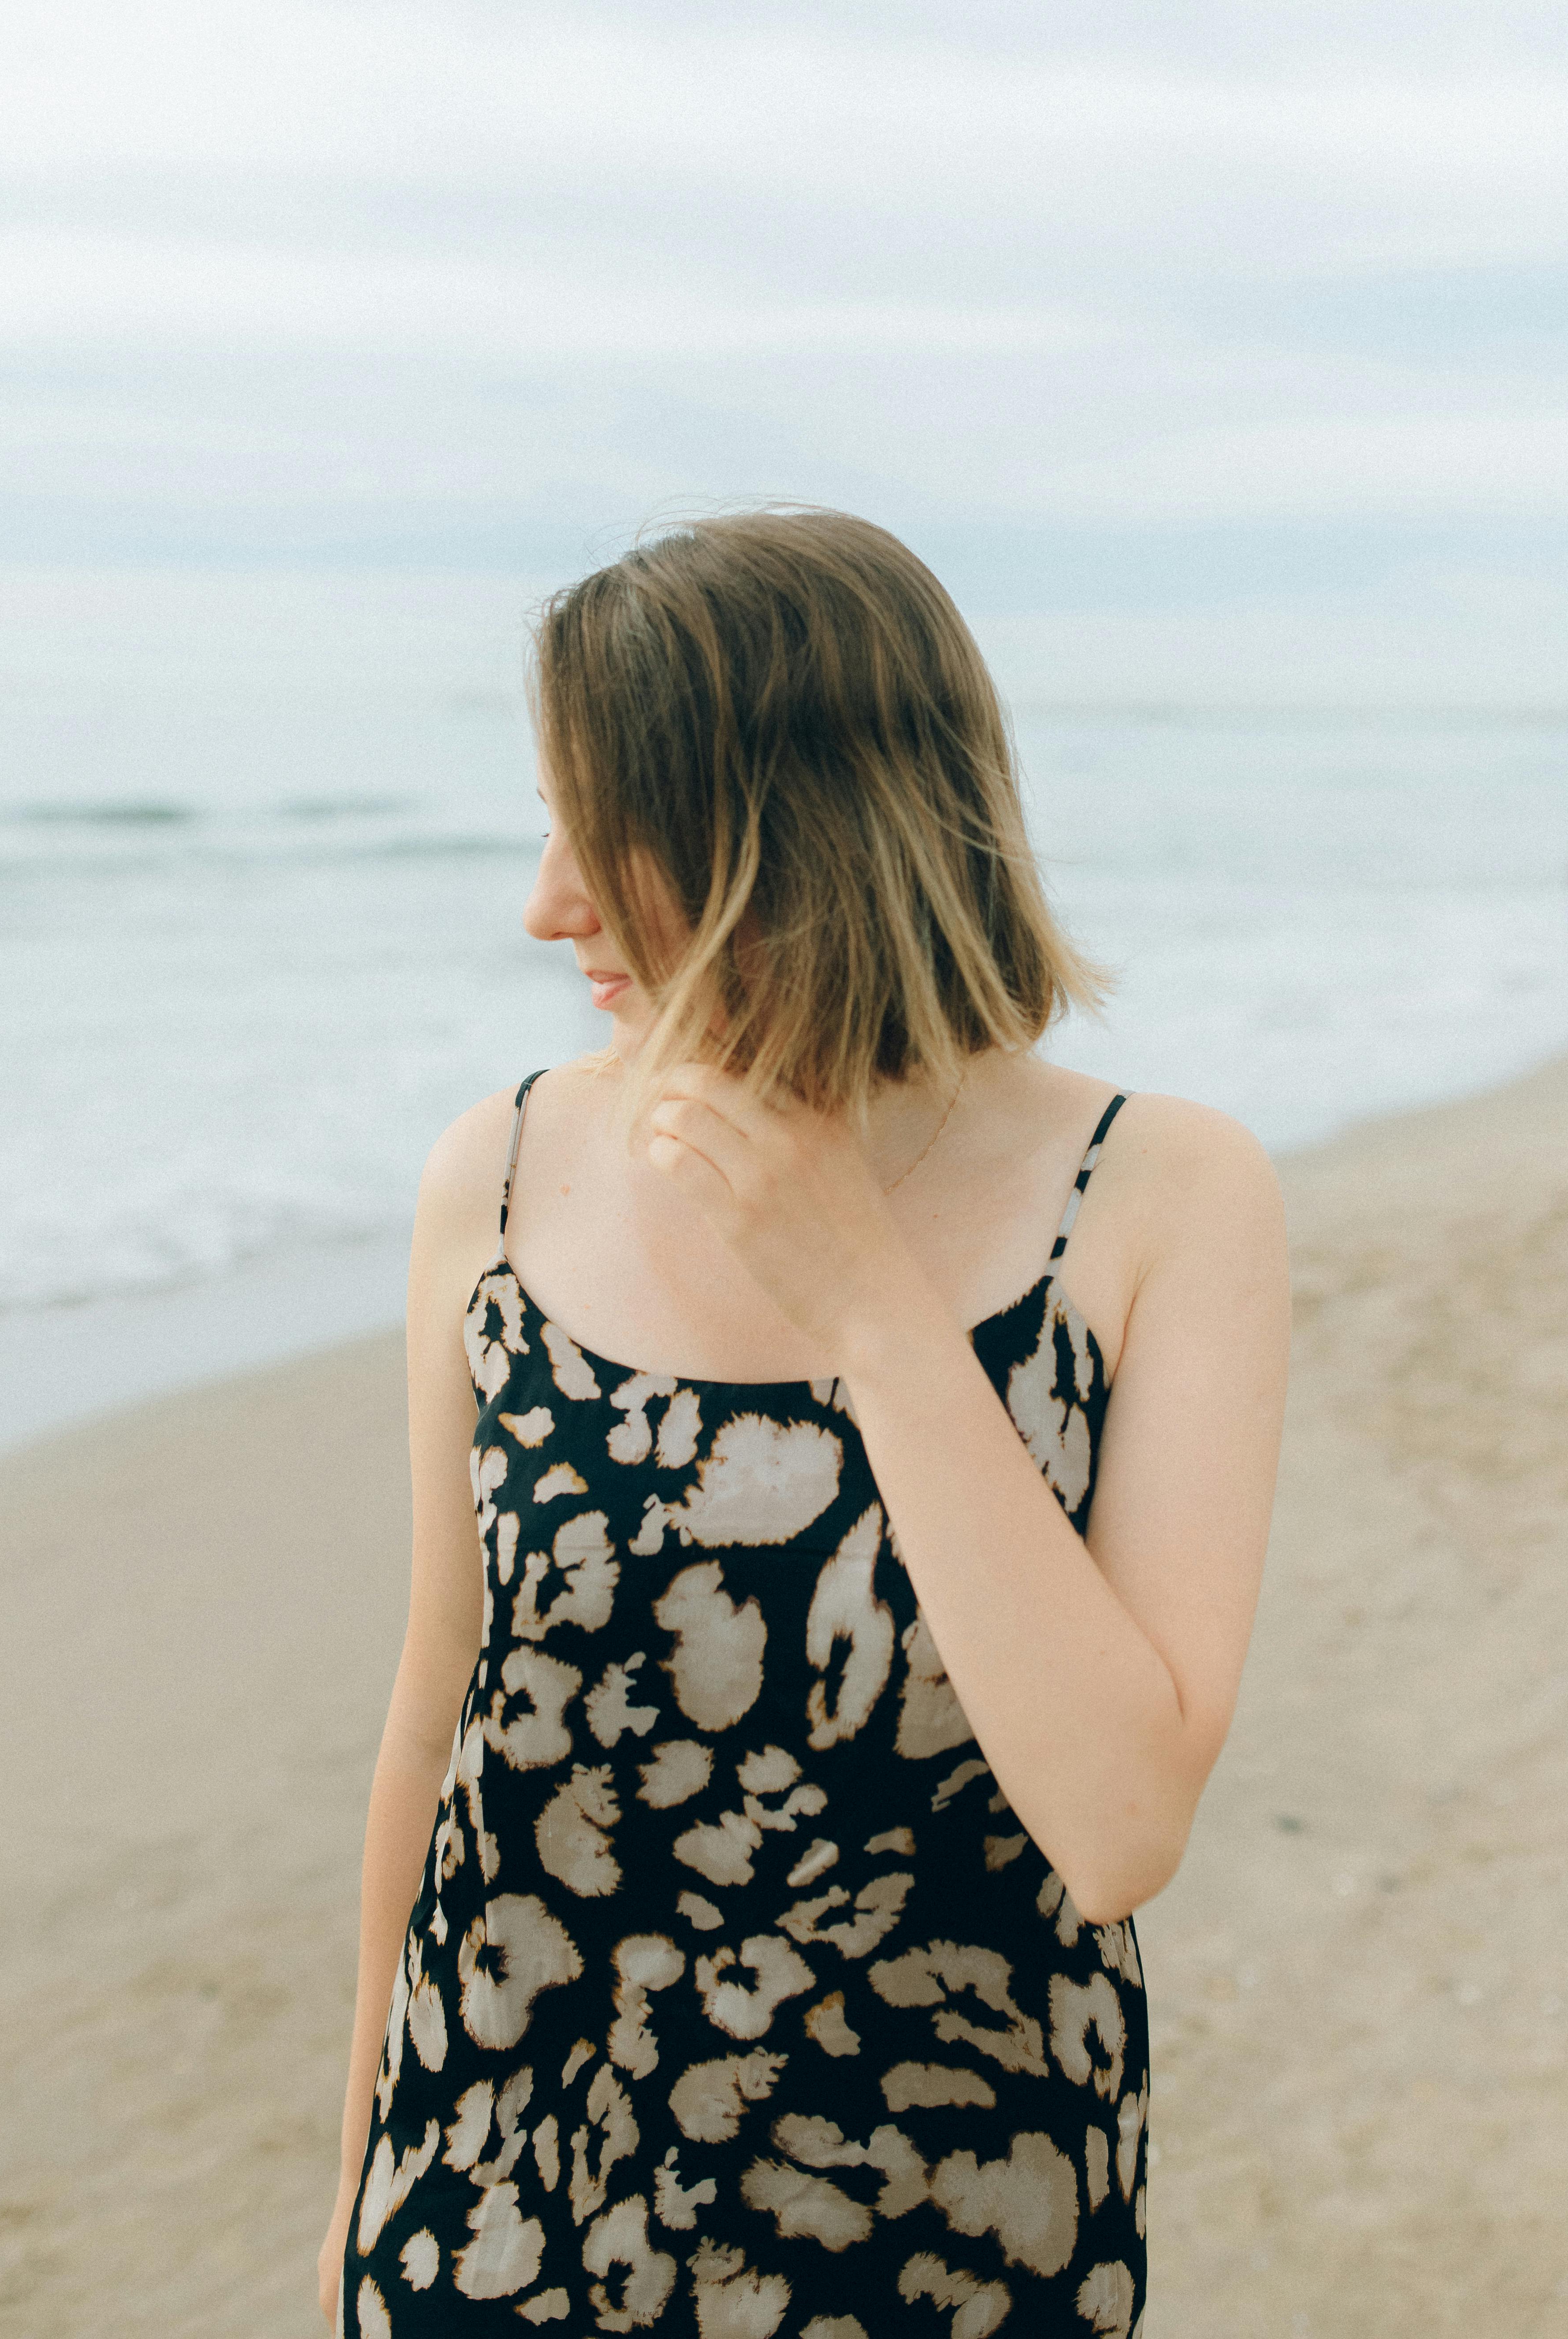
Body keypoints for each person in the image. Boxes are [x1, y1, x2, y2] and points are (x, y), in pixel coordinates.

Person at [318, 509, 1288, 2337]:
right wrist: (365, 2161)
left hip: (943, 2223)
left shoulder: (1158, 1196)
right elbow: (443, 1692)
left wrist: (863, 1303)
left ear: (800, 833)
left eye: (602, 832)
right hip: (493, 2191)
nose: (545, 904)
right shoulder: (504, 1172)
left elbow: (1119, 1822)